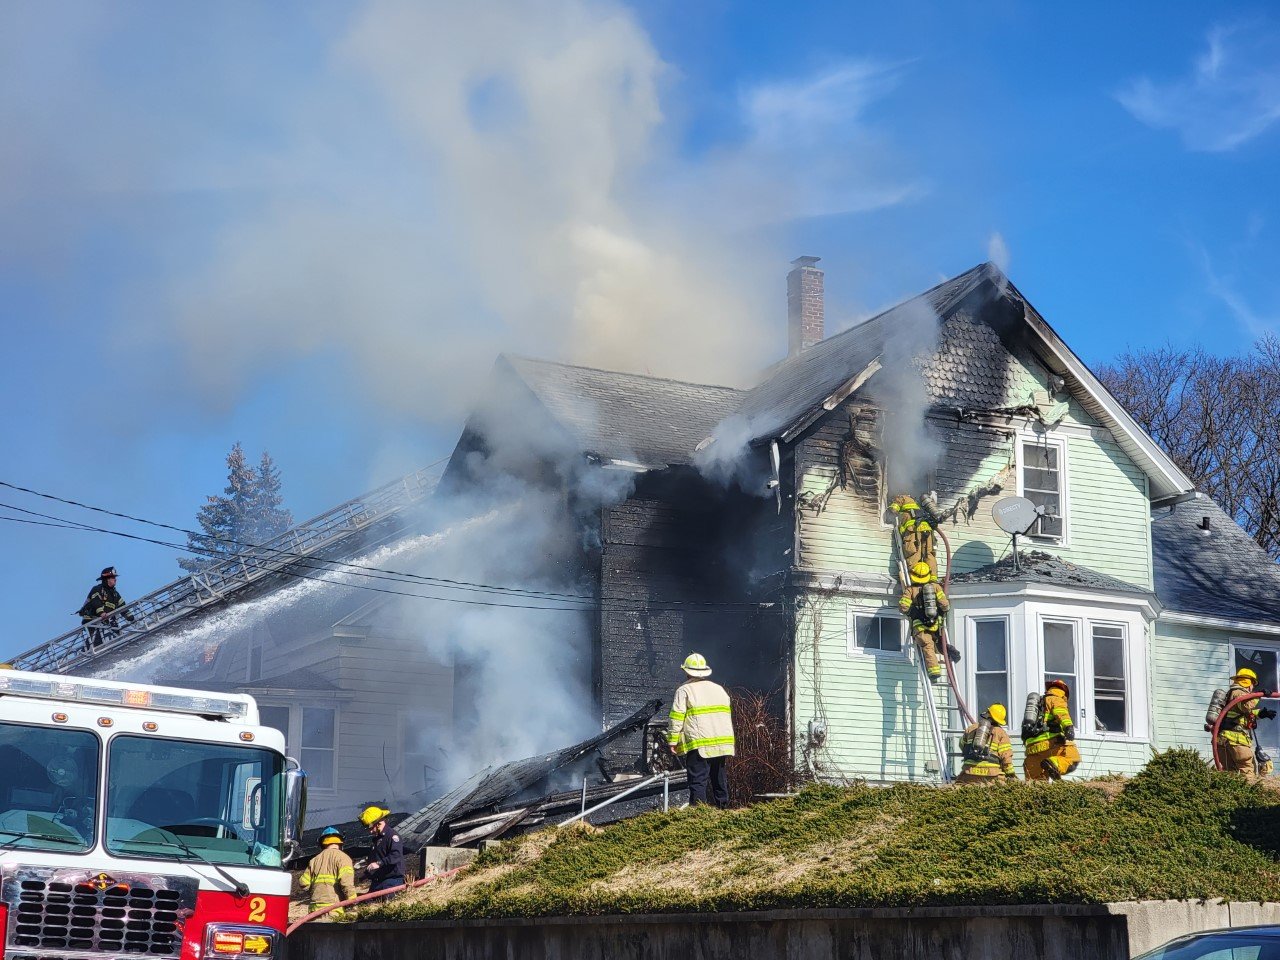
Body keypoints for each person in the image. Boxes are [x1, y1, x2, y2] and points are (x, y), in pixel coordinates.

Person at [667, 653, 735, 808]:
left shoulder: (684, 690)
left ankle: (698, 814)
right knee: (719, 778)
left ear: (687, 671)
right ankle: (723, 811)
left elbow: (676, 718)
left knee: (698, 780)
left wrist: (673, 740)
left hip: (700, 744)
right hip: (722, 744)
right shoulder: (719, 689)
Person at [898, 562, 958, 683]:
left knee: (927, 646)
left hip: (920, 628)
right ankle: (947, 651)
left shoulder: (910, 590)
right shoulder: (936, 587)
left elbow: (903, 607)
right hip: (936, 625)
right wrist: (941, 611)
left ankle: (934, 672)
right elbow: (945, 605)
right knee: (937, 642)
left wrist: (914, 612)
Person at [1217, 668, 1276, 783]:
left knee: (1230, 774)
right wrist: (1260, 695)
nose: (1252, 688)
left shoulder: (1231, 694)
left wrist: (1260, 713)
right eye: (1253, 684)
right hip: (1237, 740)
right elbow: (1246, 706)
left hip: (1222, 740)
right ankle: (1249, 798)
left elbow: (1240, 714)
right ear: (1249, 683)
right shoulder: (1239, 693)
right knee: (1247, 772)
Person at [1023, 679, 1081, 781]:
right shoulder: (1056, 699)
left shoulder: (1037, 705)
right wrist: (1069, 728)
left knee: (1036, 786)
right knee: (1073, 758)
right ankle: (1053, 763)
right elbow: (1061, 713)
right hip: (1050, 744)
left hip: (1031, 750)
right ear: (1064, 692)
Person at [298, 827, 358, 921]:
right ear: (340, 843)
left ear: (322, 844)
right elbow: (346, 883)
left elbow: (303, 882)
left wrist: (315, 892)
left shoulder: (314, 860)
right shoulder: (343, 858)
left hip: (314, 910)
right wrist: (354, 902)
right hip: (334, 910)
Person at [76, 567, 135, 651]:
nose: (115, 580)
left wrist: (130, 617)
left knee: (116, 628)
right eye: (113, 578)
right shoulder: (97, 589)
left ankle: (122, 647)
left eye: (115, 578)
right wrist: (102, 613)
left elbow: (122, 607)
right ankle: (86, 654)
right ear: (106, 579)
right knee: (96, 639)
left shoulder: (115, 594)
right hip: (92, 620)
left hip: (105, 621)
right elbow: (96, 602)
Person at [956, 704, 1016, 784]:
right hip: (992, 775)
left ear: (987, 713)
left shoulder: (971, 729)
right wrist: (1011, 774)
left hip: (969, 773)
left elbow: (962, 745)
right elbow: (1006, 756)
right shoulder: (1001, 733)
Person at [359, 805, 405, 894]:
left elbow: (396, 856)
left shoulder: (392, 836)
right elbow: (377, 858)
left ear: (378, 823)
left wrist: (379, 863)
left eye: (371, 828)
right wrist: (366, 875)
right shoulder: (378, 839)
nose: (370, 831)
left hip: (391, 882)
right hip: (377, 882)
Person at [890, 494, 937, 576]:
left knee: (913, 553)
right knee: (929, 554)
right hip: (927, 530)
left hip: (913, 530)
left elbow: (894, 509)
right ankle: (933, 577)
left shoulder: (902, 497)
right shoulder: (919, 503)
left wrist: (891, 510)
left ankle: (915, 577)